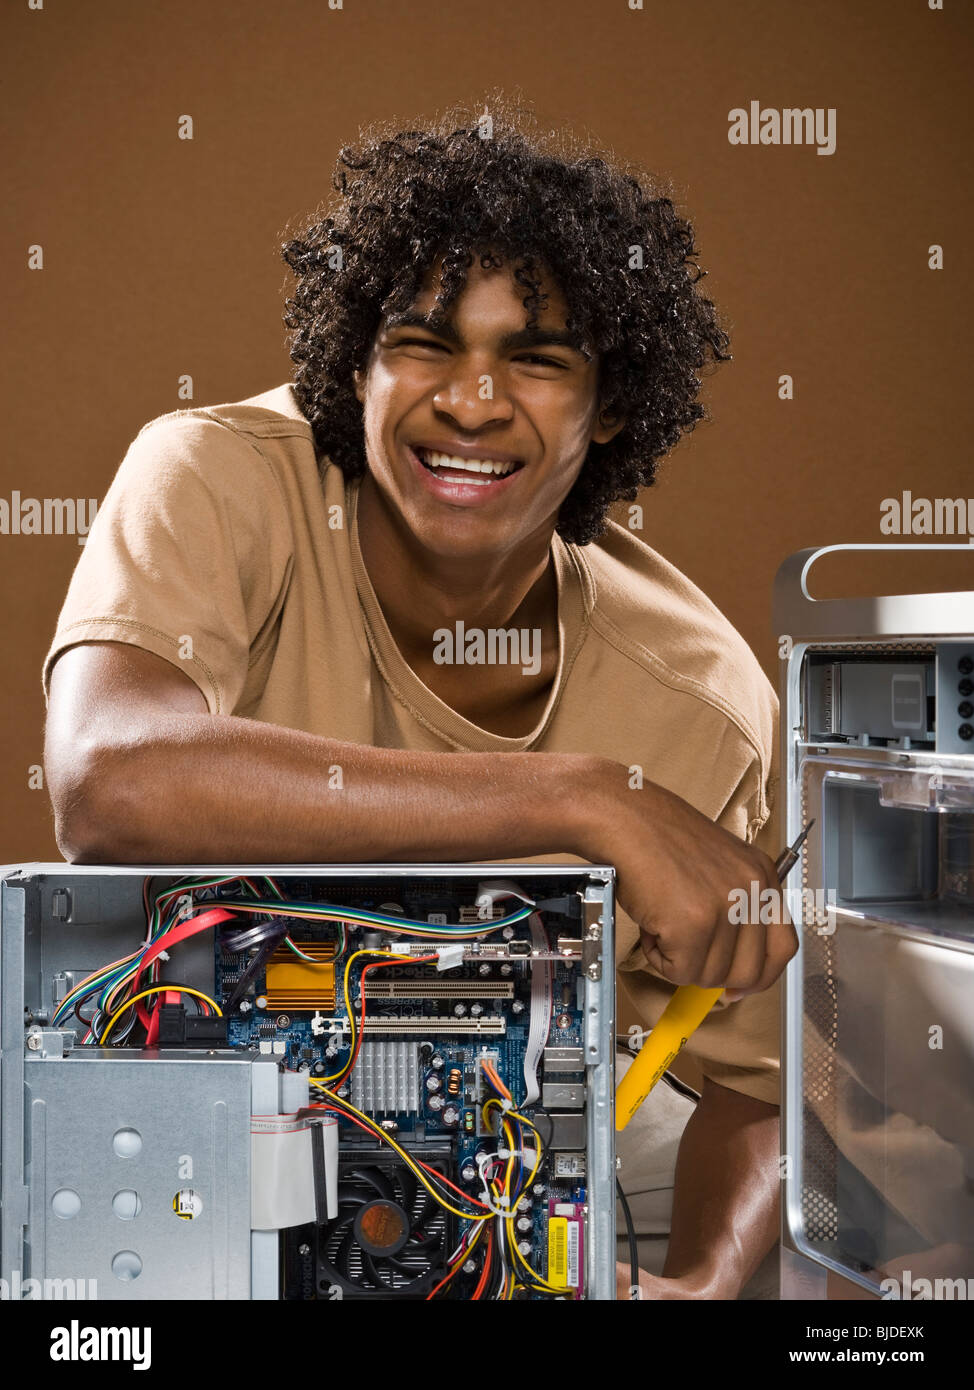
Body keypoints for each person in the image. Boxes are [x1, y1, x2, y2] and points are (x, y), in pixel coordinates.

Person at [42, 99, 796, 1299]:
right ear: (356, 365)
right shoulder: (219, 480)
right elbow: (109, 780)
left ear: (607, 406)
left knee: (836, 1244)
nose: (472, 401)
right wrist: (583, 799)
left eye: (535, 359)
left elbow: (759, 1077)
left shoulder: (696, 700)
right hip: (192, 1103)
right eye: (422, 343)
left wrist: (703, 1281)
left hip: (527, 1140)